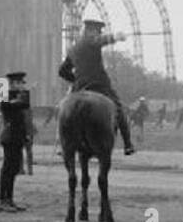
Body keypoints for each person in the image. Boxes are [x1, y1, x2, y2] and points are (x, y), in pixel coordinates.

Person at [58, 18, 136, 155]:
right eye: (97, 31)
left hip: (79, 87)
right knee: (119, 109)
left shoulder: (73, 48)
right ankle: (128, 144)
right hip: (99, 85)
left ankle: (61, 144)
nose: (98, 34)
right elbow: (98, 41)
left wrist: (75, 80)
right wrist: (115, 37)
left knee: (64, 112)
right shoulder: (91, 41)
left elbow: (62, 71)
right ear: (90, 31)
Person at [0, 71, 31, 211]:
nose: (21, 86)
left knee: (14, 169)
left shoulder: (20, 96)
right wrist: (17, 100)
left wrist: (22, 96)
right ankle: (3, 199)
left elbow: (25, 105)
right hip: (9, 136)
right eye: (18, 83)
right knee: (7, 168)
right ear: (12, 83)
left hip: (17, 137)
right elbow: (6, 107)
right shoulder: (4, 94)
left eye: (22, 83)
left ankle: (10, 199)